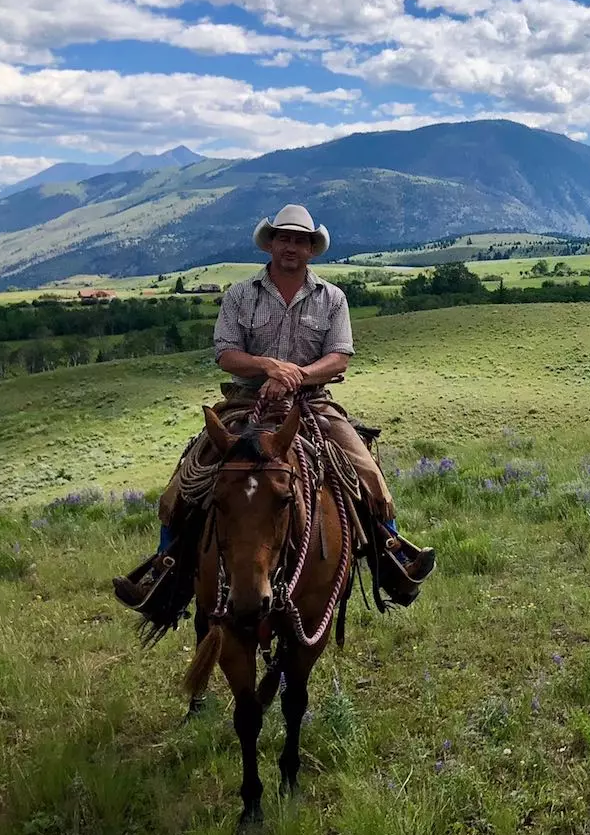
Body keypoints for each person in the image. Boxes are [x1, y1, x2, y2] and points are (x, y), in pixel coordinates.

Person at [113, 203, 434, 620]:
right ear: (272, 243)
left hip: (312, 403)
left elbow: (339, 358)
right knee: (186, 479)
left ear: (311, 249)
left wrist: (293, 376)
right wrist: (268, 367)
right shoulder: (240, 295)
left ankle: (393, 554)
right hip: (246, 402)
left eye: (300, 240)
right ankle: (162, 570)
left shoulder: (332, 298)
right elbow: (226, 354)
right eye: (284, 238)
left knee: (366, 471)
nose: (291, 246)